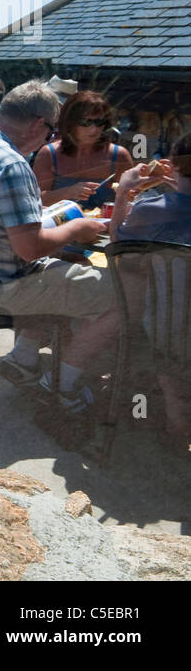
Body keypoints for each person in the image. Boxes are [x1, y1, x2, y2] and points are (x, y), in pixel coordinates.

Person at [0, 79, 116, 415]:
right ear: (37, 125)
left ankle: (24, 357)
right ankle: (63, 385)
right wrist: (77, 227)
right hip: (4, 288)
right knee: (120, 298)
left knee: (66, 272)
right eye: (50, 133)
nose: (49, 140)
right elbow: (31, 249)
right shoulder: (12, 165)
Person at [110, 131, 191, 458]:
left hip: (167, 334)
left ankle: (174, 424)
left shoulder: (149, 209)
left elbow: (119, 252)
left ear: (171, 165)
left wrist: (124, 193)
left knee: (159, 331)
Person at [32, 90, 134, 209]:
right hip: (61, 226)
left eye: (99, 122)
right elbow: (34, 200)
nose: (94, 129)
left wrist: (135, 189)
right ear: (70, 122)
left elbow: (132, 200)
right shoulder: (49, 154)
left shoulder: (118, 156)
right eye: (86, 122)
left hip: (104, 226)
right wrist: (68, 192)